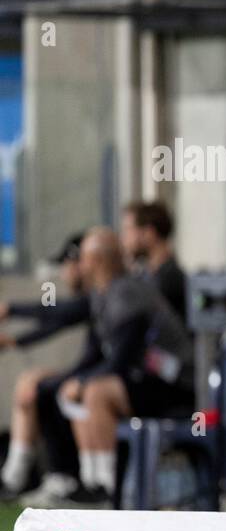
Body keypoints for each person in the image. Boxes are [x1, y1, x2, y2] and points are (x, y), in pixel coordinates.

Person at [54, 228, 194, 506]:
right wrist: (75, 381)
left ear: (97, 261)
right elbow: (97, 356)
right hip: (140, 380)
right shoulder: (102, 294)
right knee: (84, 390)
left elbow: (121, 360)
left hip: (174, 386)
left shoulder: (127, 292)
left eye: (83, 258)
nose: (79, 265)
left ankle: (109, 489)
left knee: (96, 392)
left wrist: (82, 382)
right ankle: (91, 480)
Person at [0, 233, 90, 501]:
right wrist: (14, 340)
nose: (63, 274)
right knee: (35, 382)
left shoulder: (104, 294)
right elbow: (57, 323)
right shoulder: (98, 296)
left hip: (121, 383)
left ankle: (81, 481)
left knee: (46, 388)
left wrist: (11, 309)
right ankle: (15, 478)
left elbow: (56, 312)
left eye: (66, 264)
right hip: (101, 375)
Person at [121, 201, 188, 324]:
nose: (124, 238)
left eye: (128, 229)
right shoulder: (145, 275)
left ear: (149, 233)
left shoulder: (168, 279)